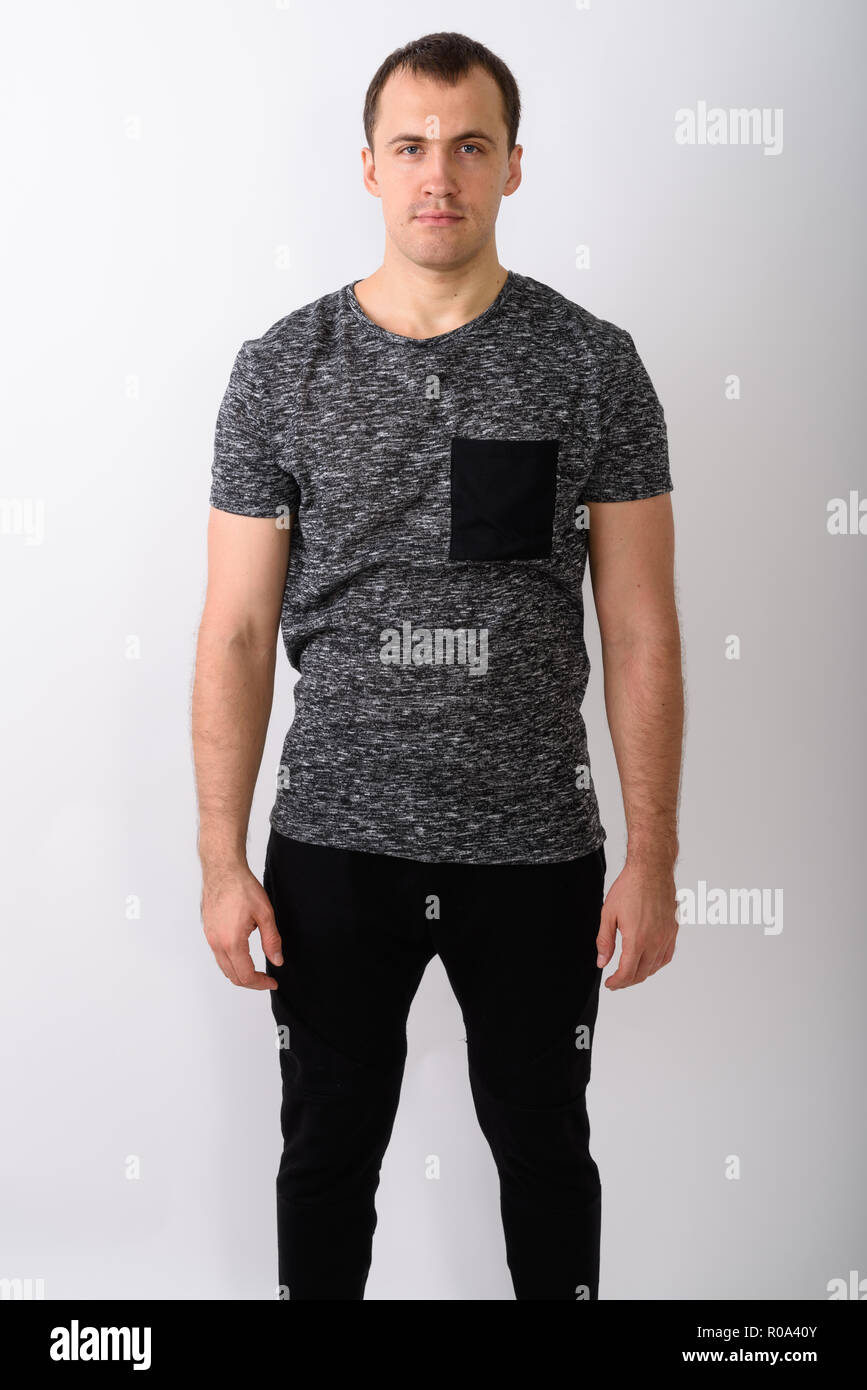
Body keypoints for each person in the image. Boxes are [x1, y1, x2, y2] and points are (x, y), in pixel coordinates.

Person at [191, 30, 683, 1301]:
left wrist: (654, 857)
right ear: (367, 166)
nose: (439, 175)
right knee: (324, 1159)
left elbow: (640, 626)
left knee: (546, 1155)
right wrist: (218, 860)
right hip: (333, 853)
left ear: (514, 165)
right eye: (411, 146)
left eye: (470, 145)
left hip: (536, 857)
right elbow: (237, 631)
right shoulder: (277, 372)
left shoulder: (594, 365)